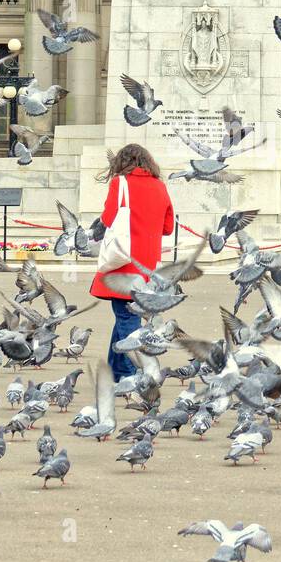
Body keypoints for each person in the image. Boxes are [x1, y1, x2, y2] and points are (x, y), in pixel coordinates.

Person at [89, 144, 175, 383]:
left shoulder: (120, 183)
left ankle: (133, 373)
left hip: (123, 262)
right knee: (125, 316)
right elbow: (168, 228)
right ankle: (116, 370)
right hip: (148, 265)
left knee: (127, 318)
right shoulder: (160, 186)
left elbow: (108, 218)